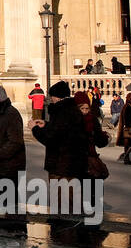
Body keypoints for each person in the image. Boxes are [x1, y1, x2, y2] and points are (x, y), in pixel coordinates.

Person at [30, 81, 89, 210]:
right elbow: (63, 131)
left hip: (61, 165)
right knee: (70, 202)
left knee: (63, 204)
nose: (50, 99)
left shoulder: (61, 112)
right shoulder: (72, 110)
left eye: (52, 96)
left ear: (57, 96)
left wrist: (35, 129)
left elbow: (52, 139)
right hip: (72, 163)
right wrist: (46, 124)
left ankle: (64, 228)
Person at [114, 91, 131, 165]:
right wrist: (130, 127)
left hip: (127, 127)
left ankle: (127, 159)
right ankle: (125, 156)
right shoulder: (129, 106)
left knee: (127, 144)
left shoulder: (128, 106)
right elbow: (127, 118)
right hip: (129, 128)